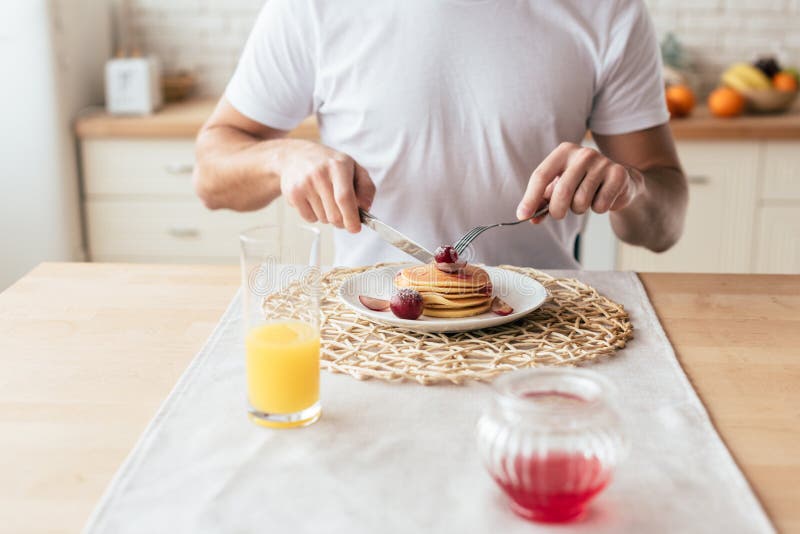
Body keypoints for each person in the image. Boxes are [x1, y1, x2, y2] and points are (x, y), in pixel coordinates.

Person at [194, 0, 688, 268]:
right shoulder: (312, 9)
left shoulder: (609, 11)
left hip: (542, 335)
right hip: (371, 329)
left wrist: (631, 186)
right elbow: (211, 175)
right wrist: (282, 159)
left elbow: (663, 228)